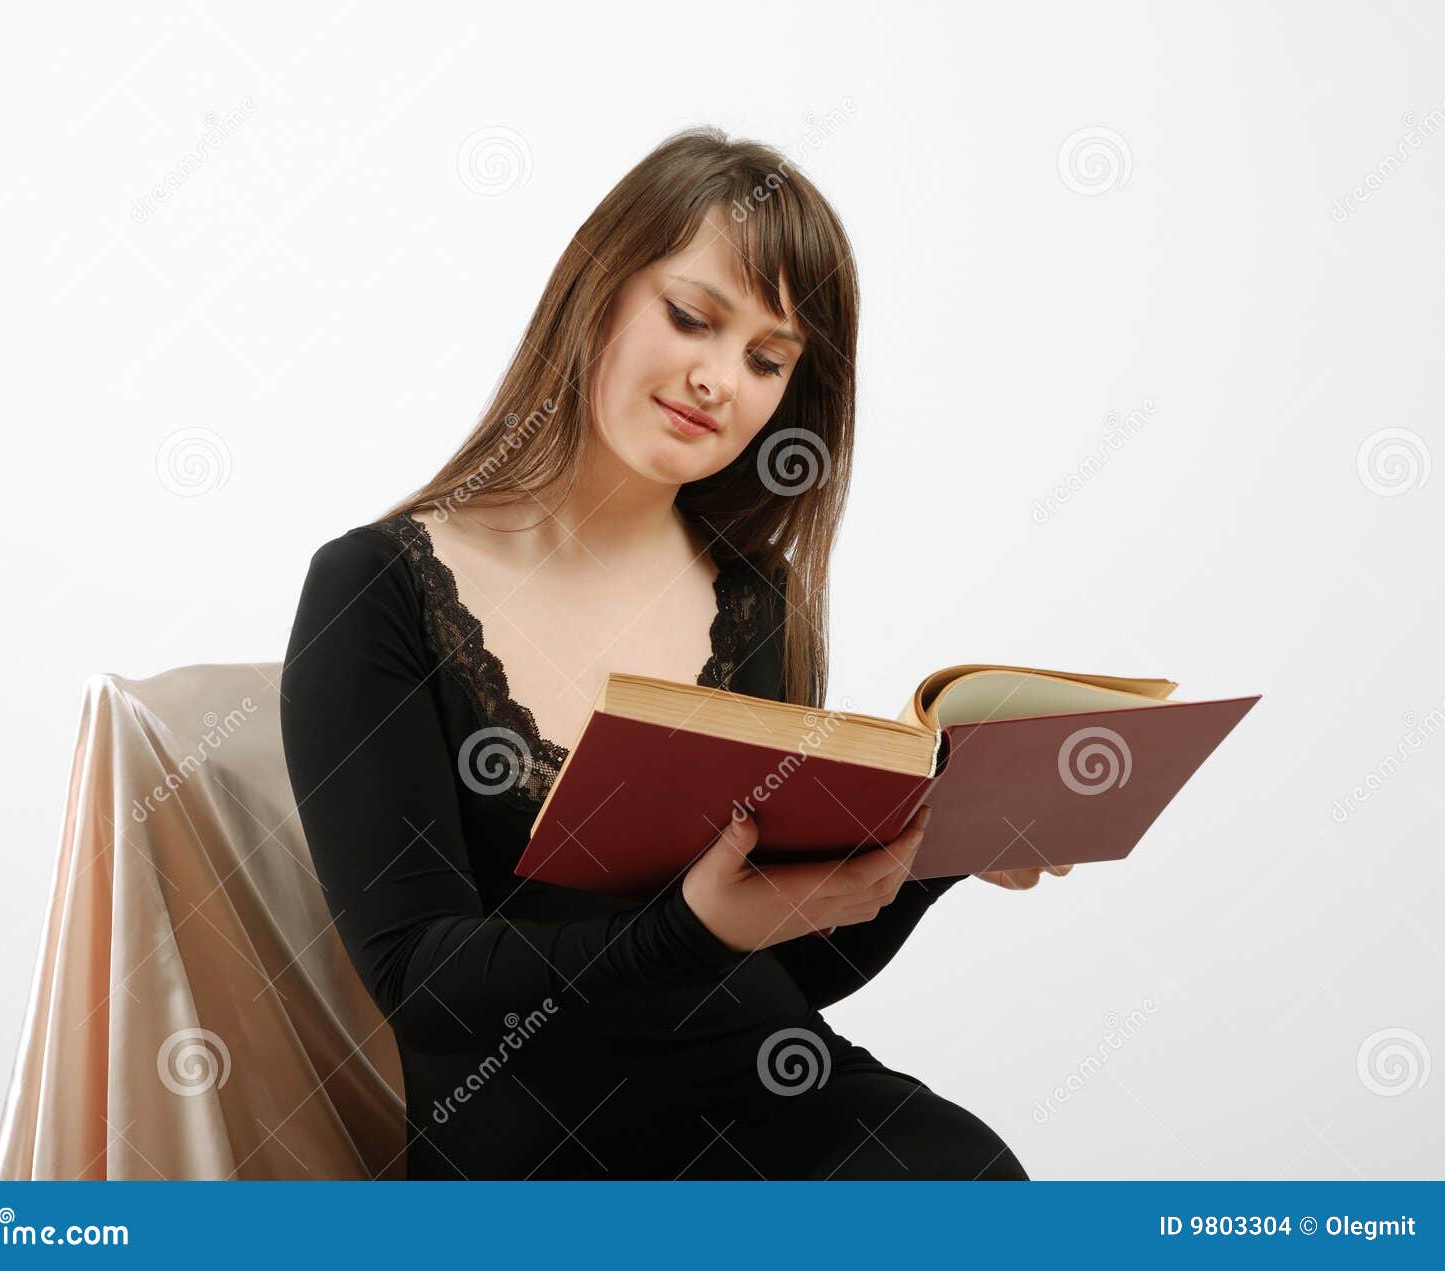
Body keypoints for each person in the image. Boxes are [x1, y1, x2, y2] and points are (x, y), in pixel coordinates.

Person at [280, 126, 1068, 1181]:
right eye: (692, 318)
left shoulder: (755, 600)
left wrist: (936, 848)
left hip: (764, 1091)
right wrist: (691, 921)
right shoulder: (376, 586)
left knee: (966, 1176)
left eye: (766, 359)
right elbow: (421, 978)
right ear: (598, 290)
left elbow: (782, 961)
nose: (717, 380)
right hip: (533, 1144)